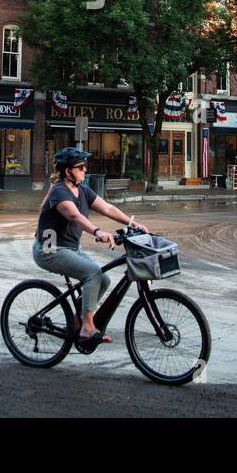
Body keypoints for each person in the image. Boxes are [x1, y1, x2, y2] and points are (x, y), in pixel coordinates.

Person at [32, 147, 148, 348]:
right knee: (93, 273)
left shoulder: (83, 190)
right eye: (80, 167)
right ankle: (87, 328)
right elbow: (74, 216)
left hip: (70, 248)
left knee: (103, 278)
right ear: (68, 171)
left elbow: (108, 208)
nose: (85, 170)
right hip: (49, 249)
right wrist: (97, 232)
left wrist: (132, 223)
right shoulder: (59, 191)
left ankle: (79, 320)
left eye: (85, 166)